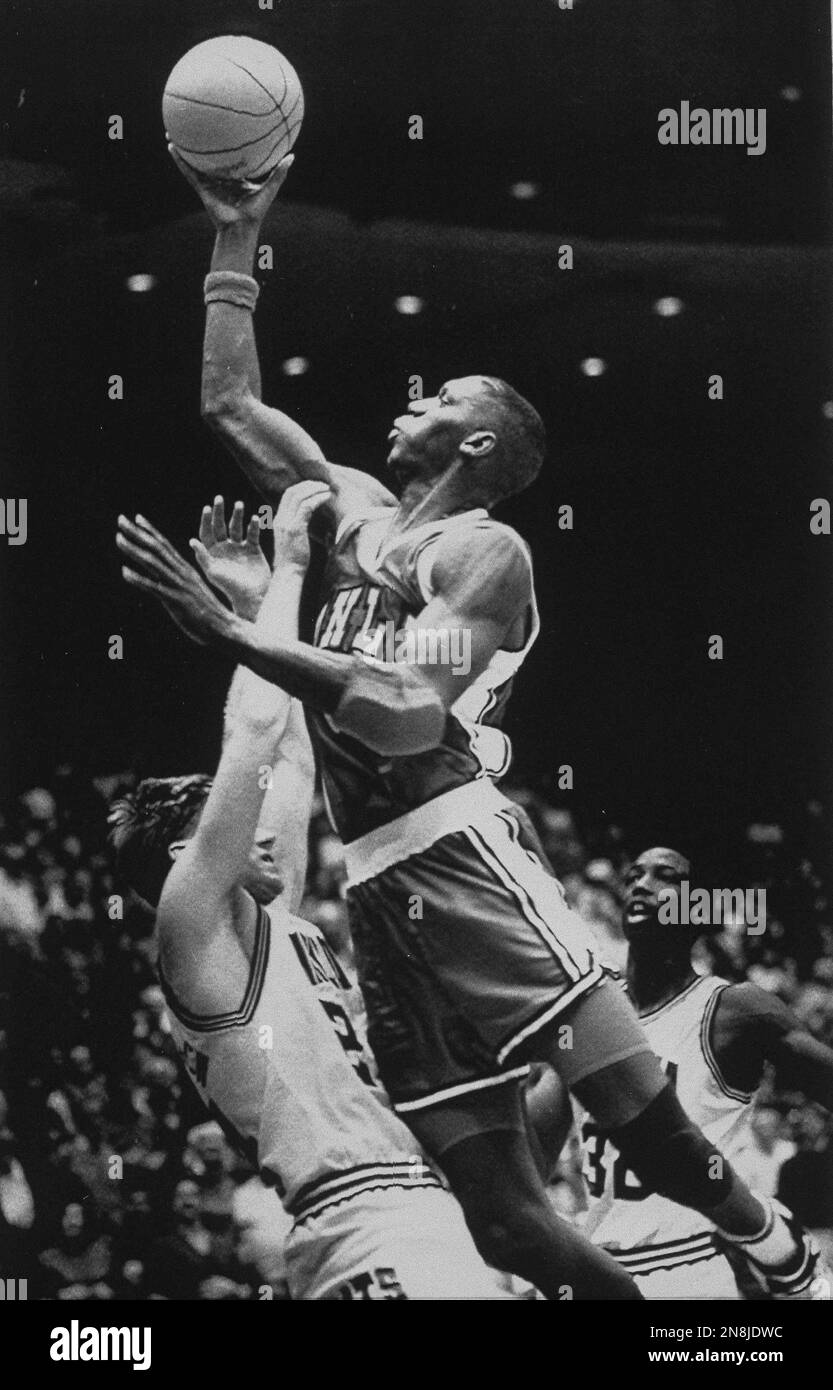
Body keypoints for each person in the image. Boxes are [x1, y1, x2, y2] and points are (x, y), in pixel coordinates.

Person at [114, 150, 824, 1301]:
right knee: (501, 1223)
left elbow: (401, 718)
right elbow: (229, 405)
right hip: (377, 887)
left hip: (458, 849)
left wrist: (236, 631)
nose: (412, 403)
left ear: (479, 448)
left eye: (440, 399)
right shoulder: (351, 512)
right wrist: (236, 233)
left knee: (641, 1133)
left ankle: (772, 1262)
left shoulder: (483, 556)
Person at [111, 485, 535, 1300]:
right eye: (235, 827)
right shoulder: (191, 925)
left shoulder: (274, 921)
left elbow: (291, 757)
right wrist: (288, 573)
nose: (265, 830)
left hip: (419, 1205)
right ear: (184, 850)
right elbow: (255, 733)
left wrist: (247, 601)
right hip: (359, 1216)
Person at [567, 846, 833, 1298]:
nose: (641, 884)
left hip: (694, 1262)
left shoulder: (734, 1010)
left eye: (664, 876)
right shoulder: (593, 1014)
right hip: (604, 1269)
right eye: (634, 875)